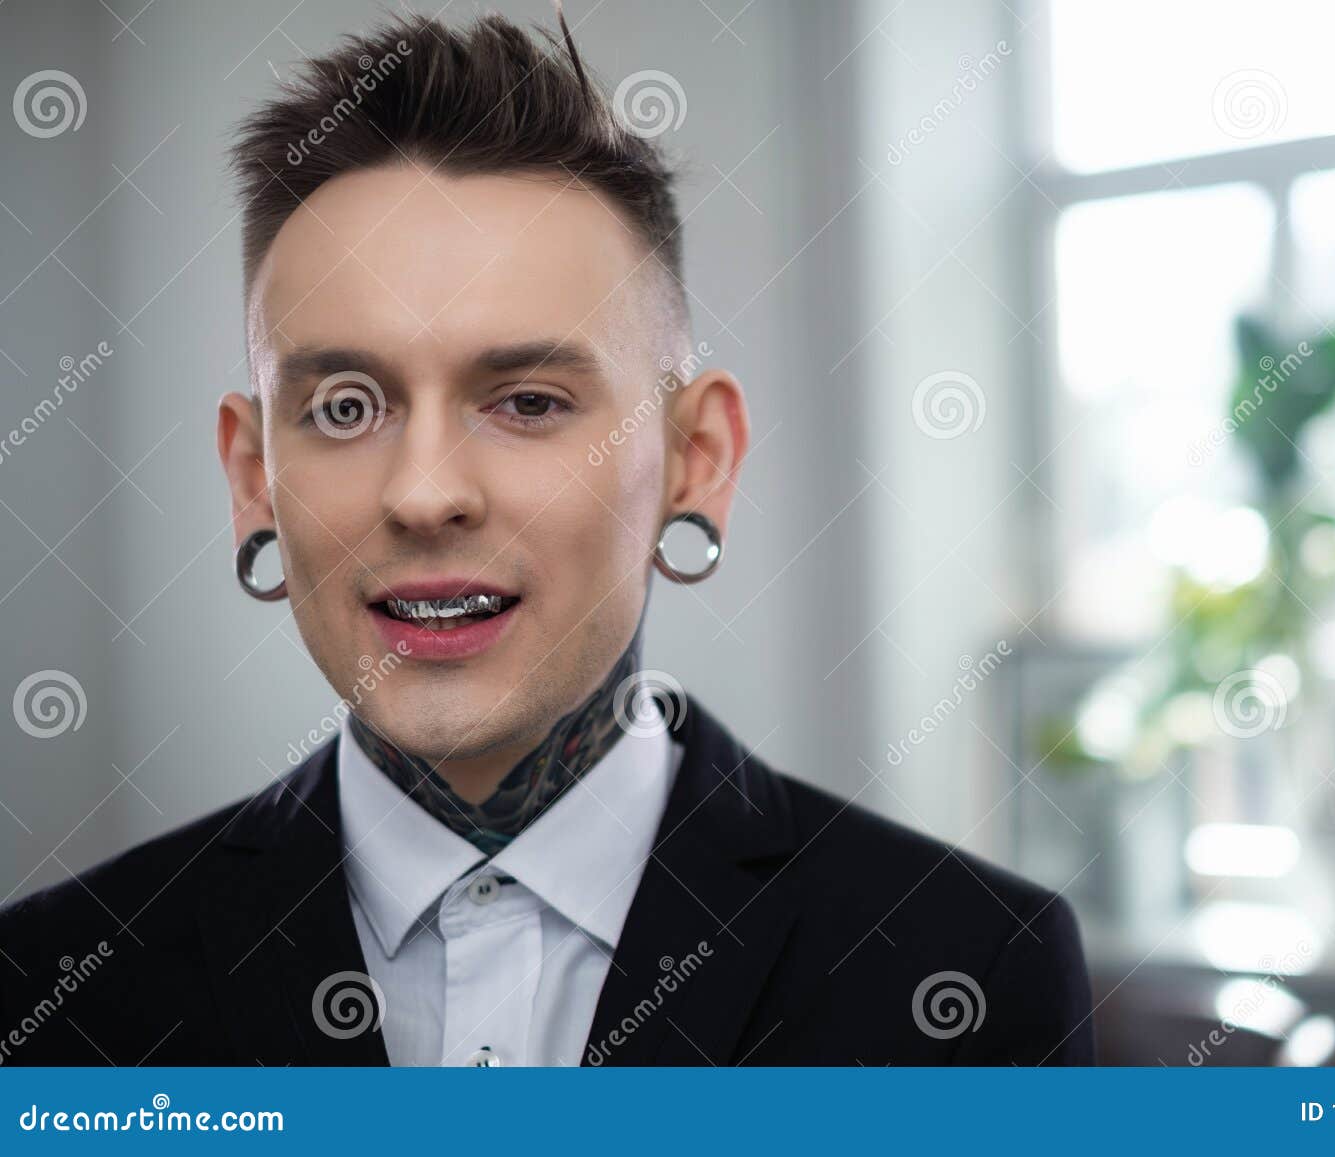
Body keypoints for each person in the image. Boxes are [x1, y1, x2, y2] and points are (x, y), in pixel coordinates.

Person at [0, 9, 1092, 1067]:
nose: (425, 494)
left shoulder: (965, 968)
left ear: (696, 458)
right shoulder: (53, 993)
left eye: (527, 402)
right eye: (344, 406)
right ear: (254, 479)